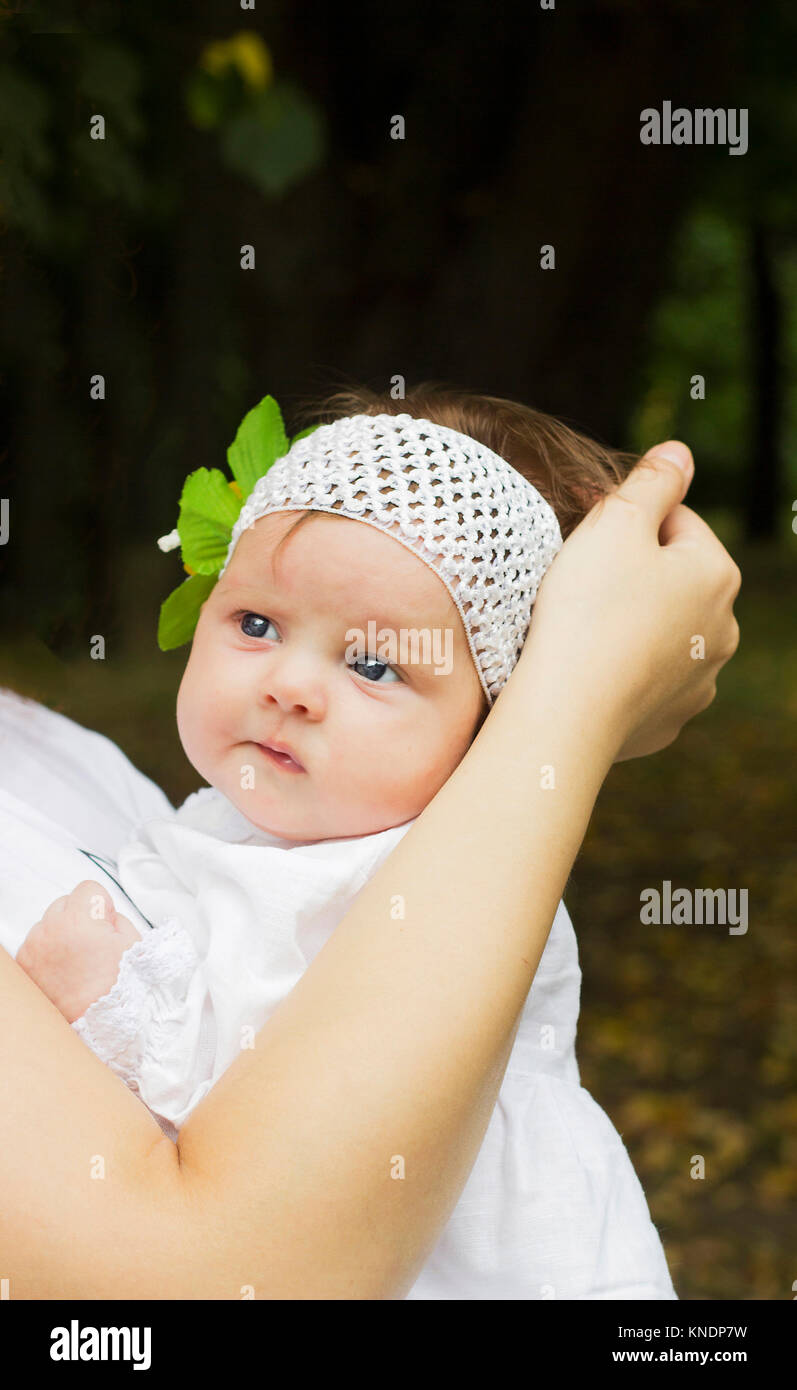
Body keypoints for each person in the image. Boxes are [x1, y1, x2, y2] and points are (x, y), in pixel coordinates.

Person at [0, 393, 740, 1300]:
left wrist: (107, 986)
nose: (291, 685)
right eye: (258, 624)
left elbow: (257, 1107)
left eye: (375, 665)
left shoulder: (380, 881)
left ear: (492, 728)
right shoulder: (265, 833)